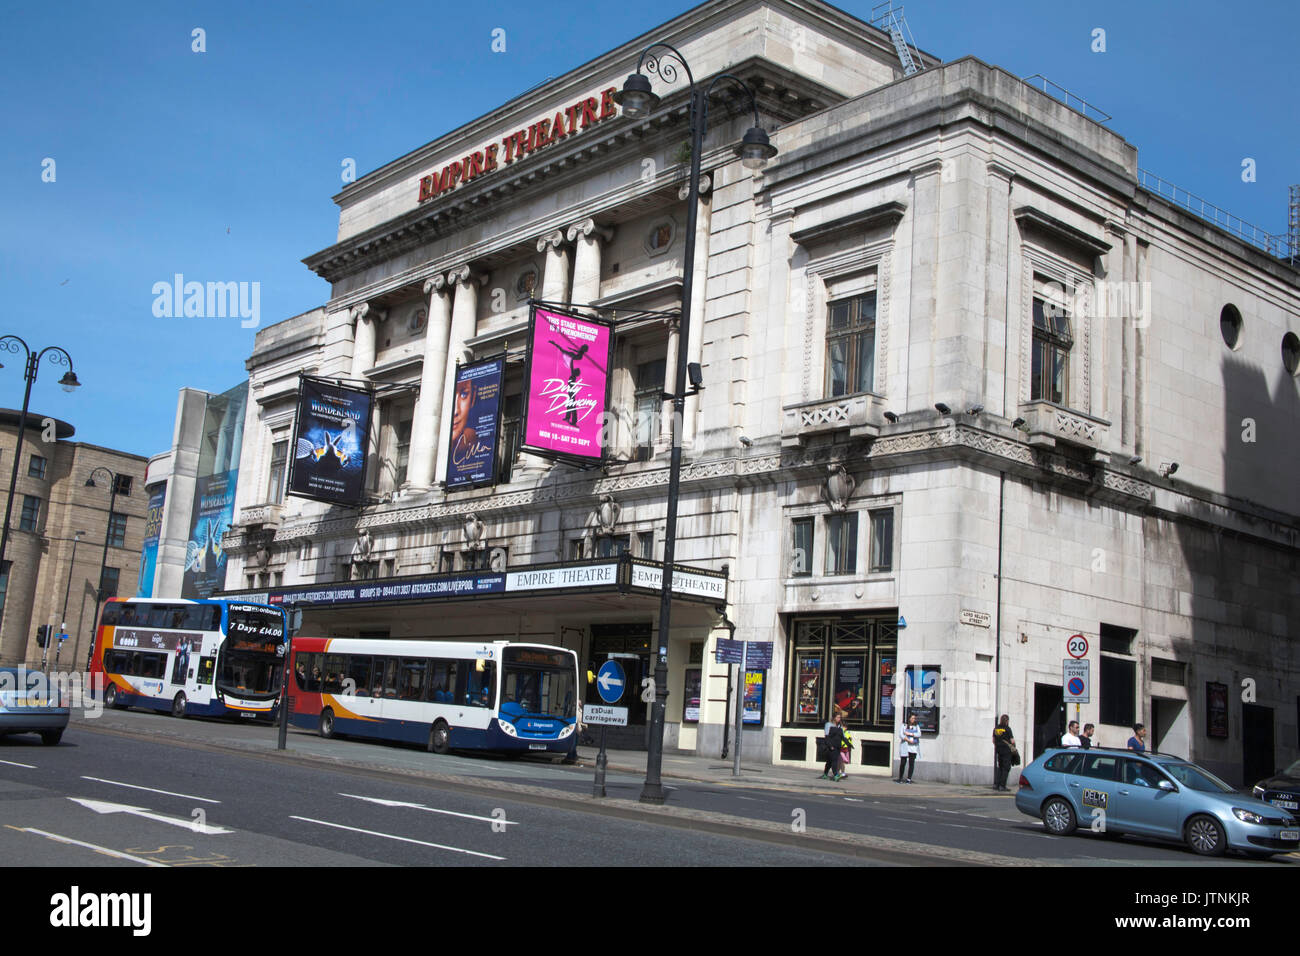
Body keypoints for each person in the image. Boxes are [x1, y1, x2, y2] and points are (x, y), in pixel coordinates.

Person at [450, 377, 479, 465]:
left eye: (463, 395)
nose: (455, 411)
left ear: (473, 398)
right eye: (450, 396)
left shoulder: (475, 441)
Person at [993, 714, 1017, 791]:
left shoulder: (996, 728)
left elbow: (993, 740)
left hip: (999, 751)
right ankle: (1002, 785)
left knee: (1000, 767)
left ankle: (996, 784)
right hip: (1006, 751)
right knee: (1006, 768)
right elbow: (1012, 741)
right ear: (1007, 721)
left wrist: (998, 746)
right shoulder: (1007, 729)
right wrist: (1013, 747)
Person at [821, 710, 845, 780]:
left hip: (837, 746)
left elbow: (842, 736)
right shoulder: (828, 724)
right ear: (834, 717)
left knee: (829, 761)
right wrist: (830, 745)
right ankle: (836, 775)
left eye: (840, 718)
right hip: (831, 746)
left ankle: (825, 774)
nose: (839, 719)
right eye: (838, 717)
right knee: (834, 760)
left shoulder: (839, 726)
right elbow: (826, 736)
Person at [897, 712, 920, 783]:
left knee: (911, 763)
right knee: (903, 763)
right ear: (909, 718)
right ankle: (900, 778)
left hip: (913, 747)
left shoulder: (916, 726)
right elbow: (901, 735)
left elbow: (919, 734)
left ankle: (908, 779)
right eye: (912, 718)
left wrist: (910, 734)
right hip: (905, 746)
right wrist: (907, 739)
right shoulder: (904, 725)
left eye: (914, 718)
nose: (913, 719)